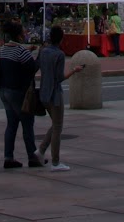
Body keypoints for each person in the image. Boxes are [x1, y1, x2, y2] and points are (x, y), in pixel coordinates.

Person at [36, 23, 87, 171]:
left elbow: (37, 66)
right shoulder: (59, 54)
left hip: (43, 92)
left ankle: (40, 151)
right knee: (58, 127)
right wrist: (74, 70)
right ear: (61, 39)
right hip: (55, 94)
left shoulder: (44, 51)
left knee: (55, 124)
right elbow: (59, 77)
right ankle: (56, 162)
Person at [0, 18, 42, 169]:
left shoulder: (5, 49)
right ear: (19, 36)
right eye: (23, 32)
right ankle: (33, 157)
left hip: (4, 90)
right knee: (27, 124)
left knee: (11, 125)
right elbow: (32, 68)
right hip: (19, 92)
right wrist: (40, 56)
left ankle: (8, 157)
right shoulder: (20, 51)